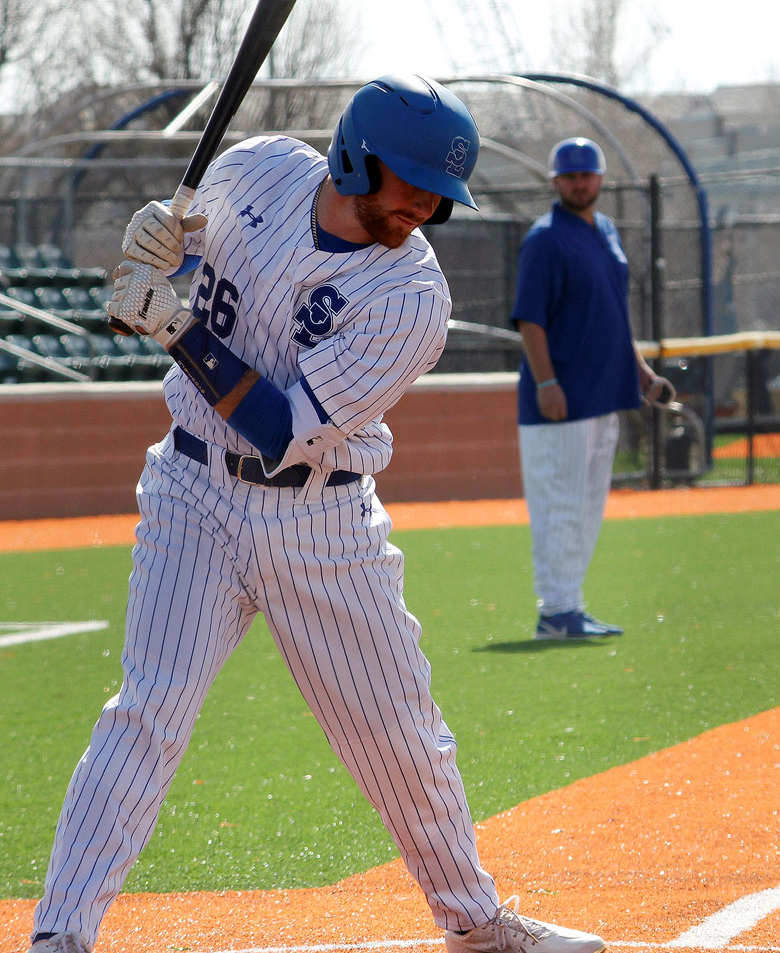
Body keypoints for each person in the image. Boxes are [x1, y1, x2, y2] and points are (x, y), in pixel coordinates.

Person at [28, 76, 604, 953]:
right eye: (408, 182)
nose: (422, 206)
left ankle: (477, 923)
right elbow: (173, 268)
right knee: (147, 710)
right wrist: (156, 247)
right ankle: (59, 935)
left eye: (438, 195)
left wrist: (174, 327)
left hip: (320, 520)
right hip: (191, 492)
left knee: (401, 738)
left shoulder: (412, 299)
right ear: (352, 154)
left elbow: (274, 430)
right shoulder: (255, 167)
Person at [511, 136, 672, 640]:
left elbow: (615, 315)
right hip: (561, 399)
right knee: (560, 505)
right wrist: (547, 382)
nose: (579, 183)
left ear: (600, 179)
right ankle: (555, 612)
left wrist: (641, 373)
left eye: (587, 174)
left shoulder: (605, 229)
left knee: (587, 507)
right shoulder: (545, 238)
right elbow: (530, 320)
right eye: (570, 176)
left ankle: (570, 606)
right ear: (557, 182)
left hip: (606, 391)